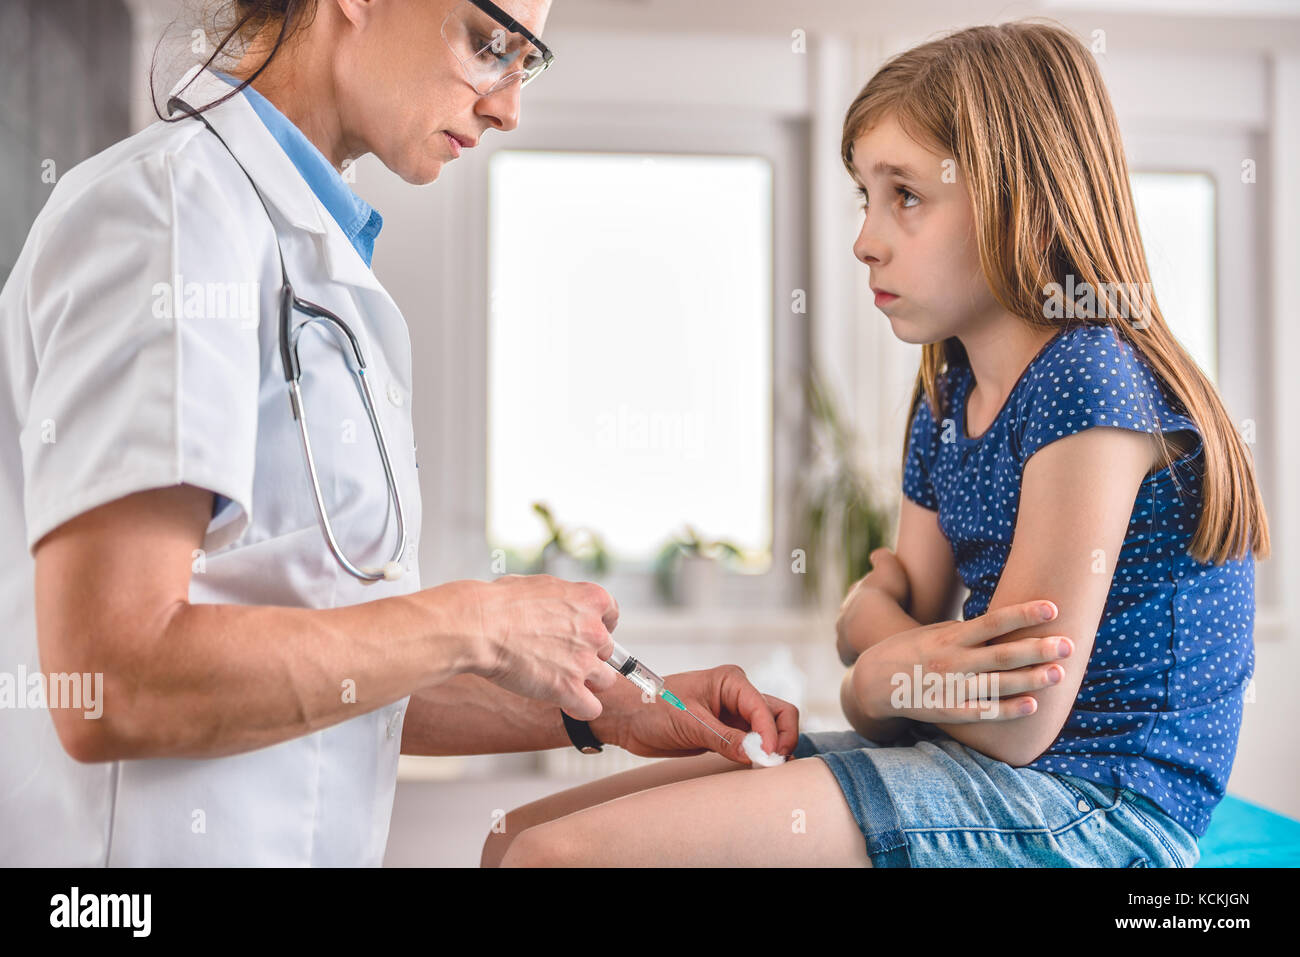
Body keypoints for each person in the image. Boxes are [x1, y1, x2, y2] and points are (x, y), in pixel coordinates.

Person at [0, 0, 808, 867]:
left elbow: (348, 670)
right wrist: (477, 620)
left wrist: (605, 707)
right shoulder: (169, 213)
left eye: (525, 63)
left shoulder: (322, 268)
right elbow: (115, 681)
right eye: (488, 43)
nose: (507, 105)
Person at [484, 20, 1269, 868]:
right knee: (515, 839)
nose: (866, 238)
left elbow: (1017, 715)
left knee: (553, 860)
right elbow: (909, 654)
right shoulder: (947, 392)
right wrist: (890, 652)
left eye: (906, 195)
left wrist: (872, 664)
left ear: (1021, 197)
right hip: (979, 767)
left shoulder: (1089, 378)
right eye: (866, 195)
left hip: (1100, 809)